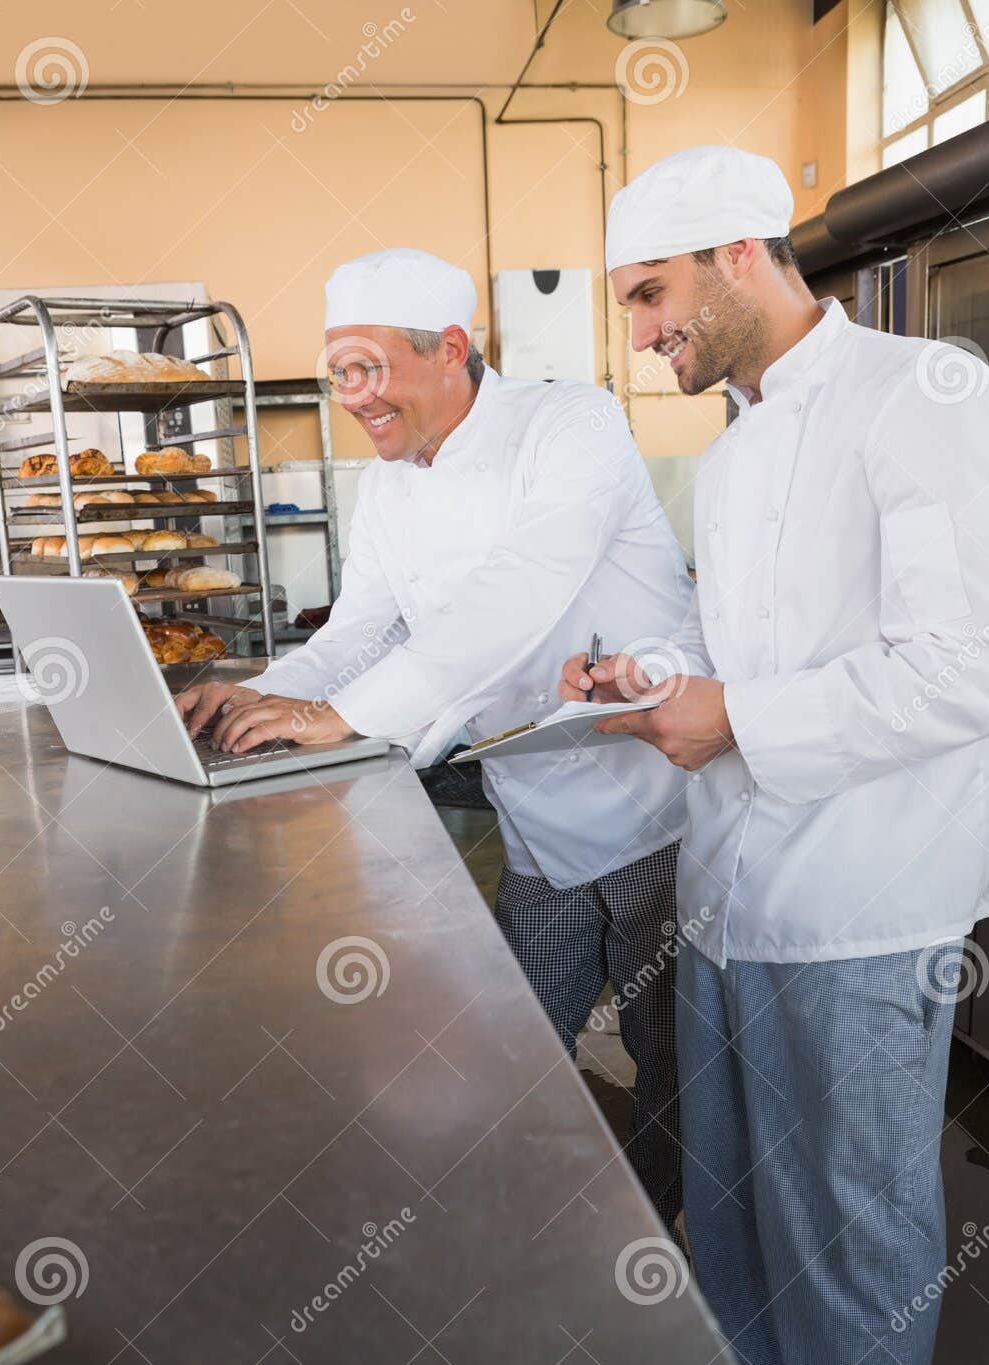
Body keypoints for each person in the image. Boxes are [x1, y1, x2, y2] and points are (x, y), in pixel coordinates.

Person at [559, 145, 989, 1365]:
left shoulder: (921, 394)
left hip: (864, 899)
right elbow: (742, 649)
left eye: (651, 294)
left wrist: (736, 718)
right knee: (741, 1202)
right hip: (728, 896)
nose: (641, 333)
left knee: (853, 1216)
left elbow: (978, 665)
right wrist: (648, 673)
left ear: (740, 255)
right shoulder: (741, 438)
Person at [178, 247, 692, 1229]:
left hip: (655, 795)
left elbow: (520, 590)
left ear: (449, 348)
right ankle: (521, 1252)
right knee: (509, 1058)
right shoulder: (390, 486)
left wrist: (344, 716)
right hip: (539, 809)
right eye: (339, 375)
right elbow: (358, 632)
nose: (351, 398)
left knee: (675, 1073)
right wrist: (251, 698)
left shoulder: (565, 423)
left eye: (365, 369)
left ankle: (678, 1291)